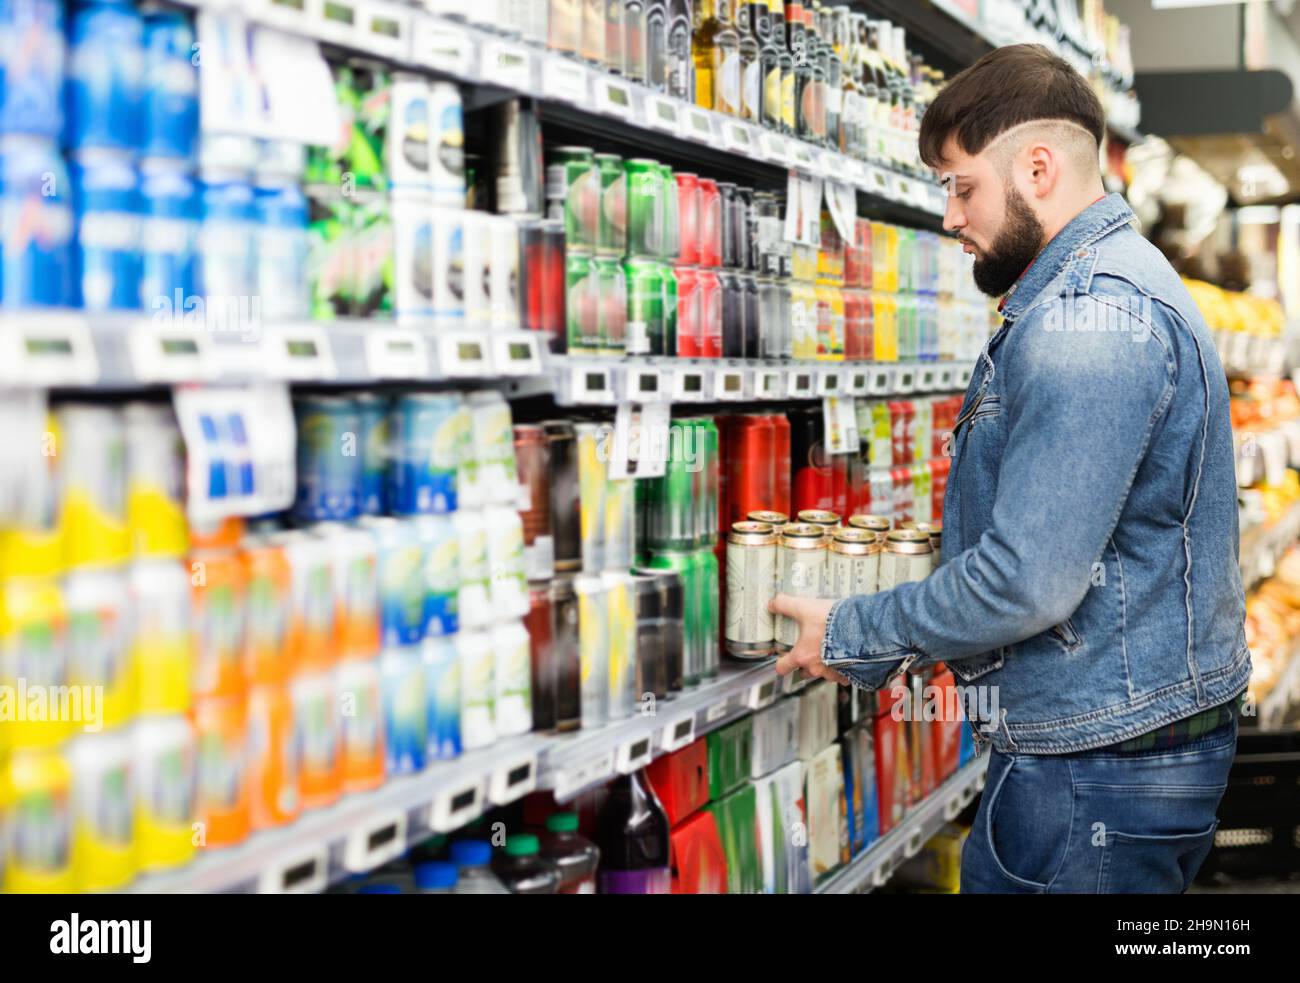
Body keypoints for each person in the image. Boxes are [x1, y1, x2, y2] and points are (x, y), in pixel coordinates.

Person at [770, 44, 1250, 894]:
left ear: (1036, 168)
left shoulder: (1091, 318)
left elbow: (1027, 582)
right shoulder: (1111, 289)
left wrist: (852, 630)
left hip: (1092, 766)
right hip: (1127, 747)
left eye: (962, 187)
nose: (951, 216)